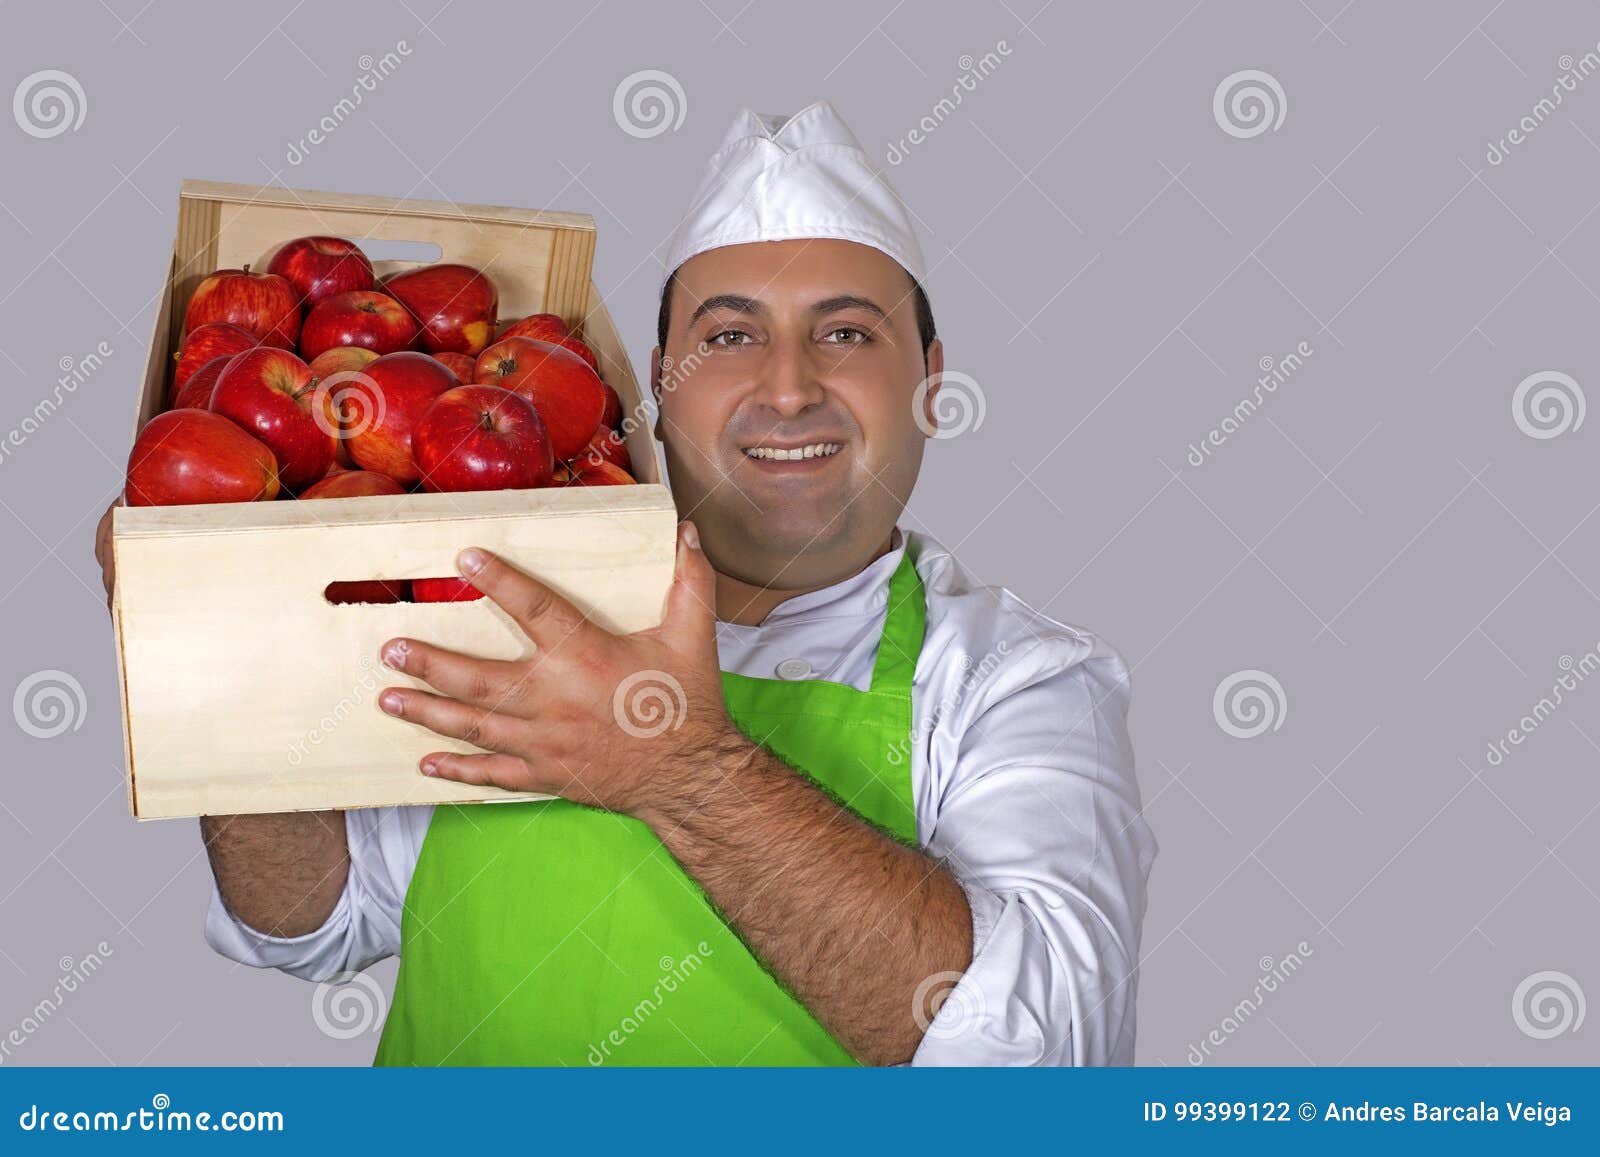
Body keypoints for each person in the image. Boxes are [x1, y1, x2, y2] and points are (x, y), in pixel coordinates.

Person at [94, 100, 1157, 1066]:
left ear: (929, 380)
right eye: (730, 335)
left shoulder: (1017, 685)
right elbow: (312, 921)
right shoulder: (500, 591)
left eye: (845, 333)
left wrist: (684, 772)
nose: (789, 387)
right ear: (658, 383)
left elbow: (1049, 1064)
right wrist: (212, 647)